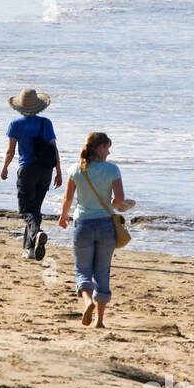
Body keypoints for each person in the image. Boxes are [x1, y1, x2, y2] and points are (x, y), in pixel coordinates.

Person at [57, 132, 129, 328]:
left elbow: (68, 199)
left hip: (83, 225)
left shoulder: (75, 169)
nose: (109, 151)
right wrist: (112, 203)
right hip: (106, 225)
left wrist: (63, 216)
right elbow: (120, 200)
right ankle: (100, 320)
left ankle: (87, 302)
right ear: (99, 148)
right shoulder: (112, 169)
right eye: (107, 147)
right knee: (102, 271)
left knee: (82, 270)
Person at [0, 87, 62, 261]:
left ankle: (36, 233)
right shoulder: (46, 123)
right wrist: (58, 171)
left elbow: (10, 151)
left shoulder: (16, 125)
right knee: (35, 210)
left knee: (27, 210)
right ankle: (29, 250)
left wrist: (4, 168)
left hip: (27, 169)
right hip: (46, 170)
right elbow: (54, 148)